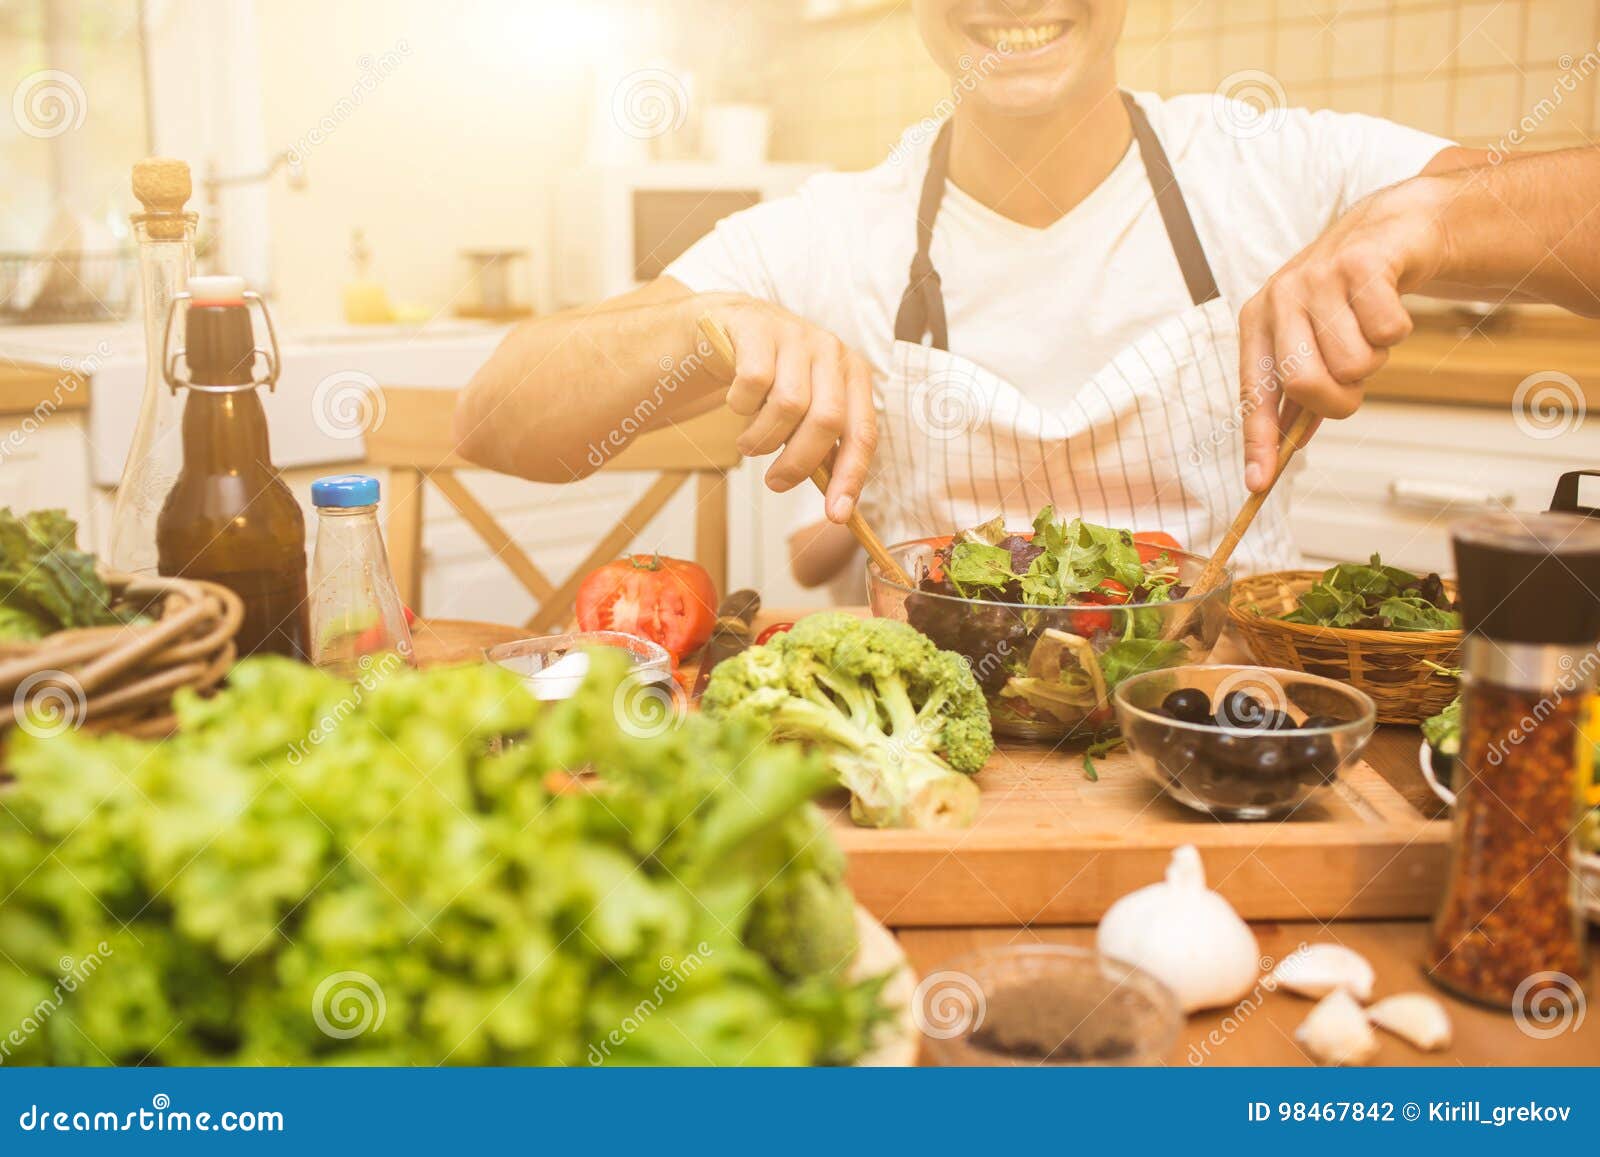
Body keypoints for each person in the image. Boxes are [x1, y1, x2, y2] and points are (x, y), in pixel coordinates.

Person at [455, 0, 1600, 595]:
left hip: (1231, 749)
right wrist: (698, 327)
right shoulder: (829, 228)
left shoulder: (1273, 170)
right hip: (929, 782)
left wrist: (1430, 218)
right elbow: (495, 420)